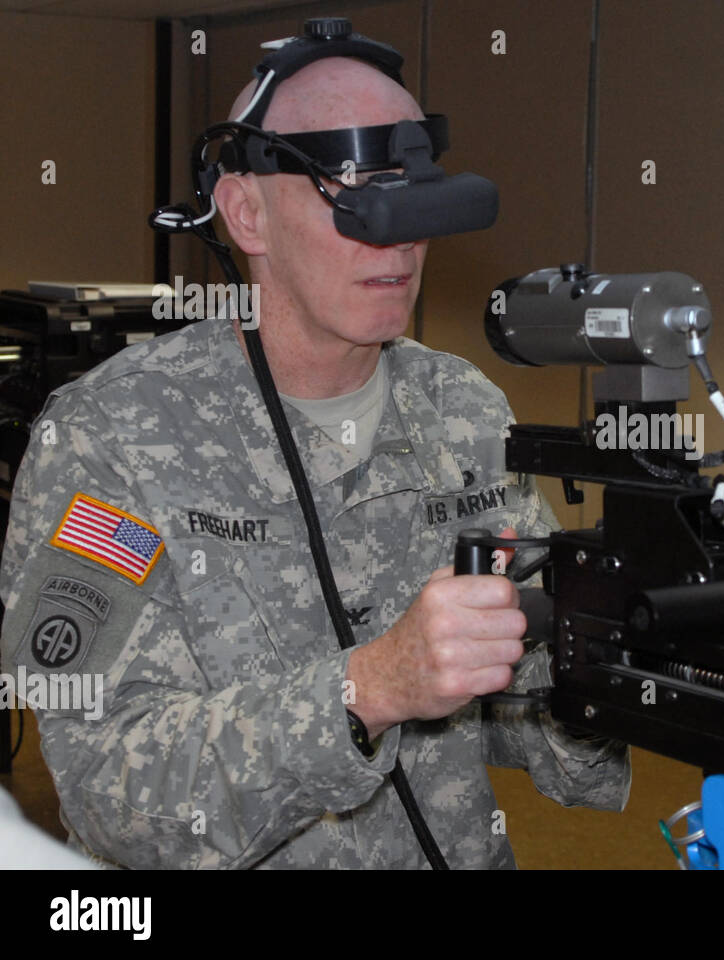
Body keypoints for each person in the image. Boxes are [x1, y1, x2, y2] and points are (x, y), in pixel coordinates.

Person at [0, 52, 629, 869]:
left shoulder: (461, 408)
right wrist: (368, 690)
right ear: (246, 215)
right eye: (356, 196)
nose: (399, 238)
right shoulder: (107, 438)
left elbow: (526, 714)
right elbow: (109, 785)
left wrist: (615, 672)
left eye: (414, 198)